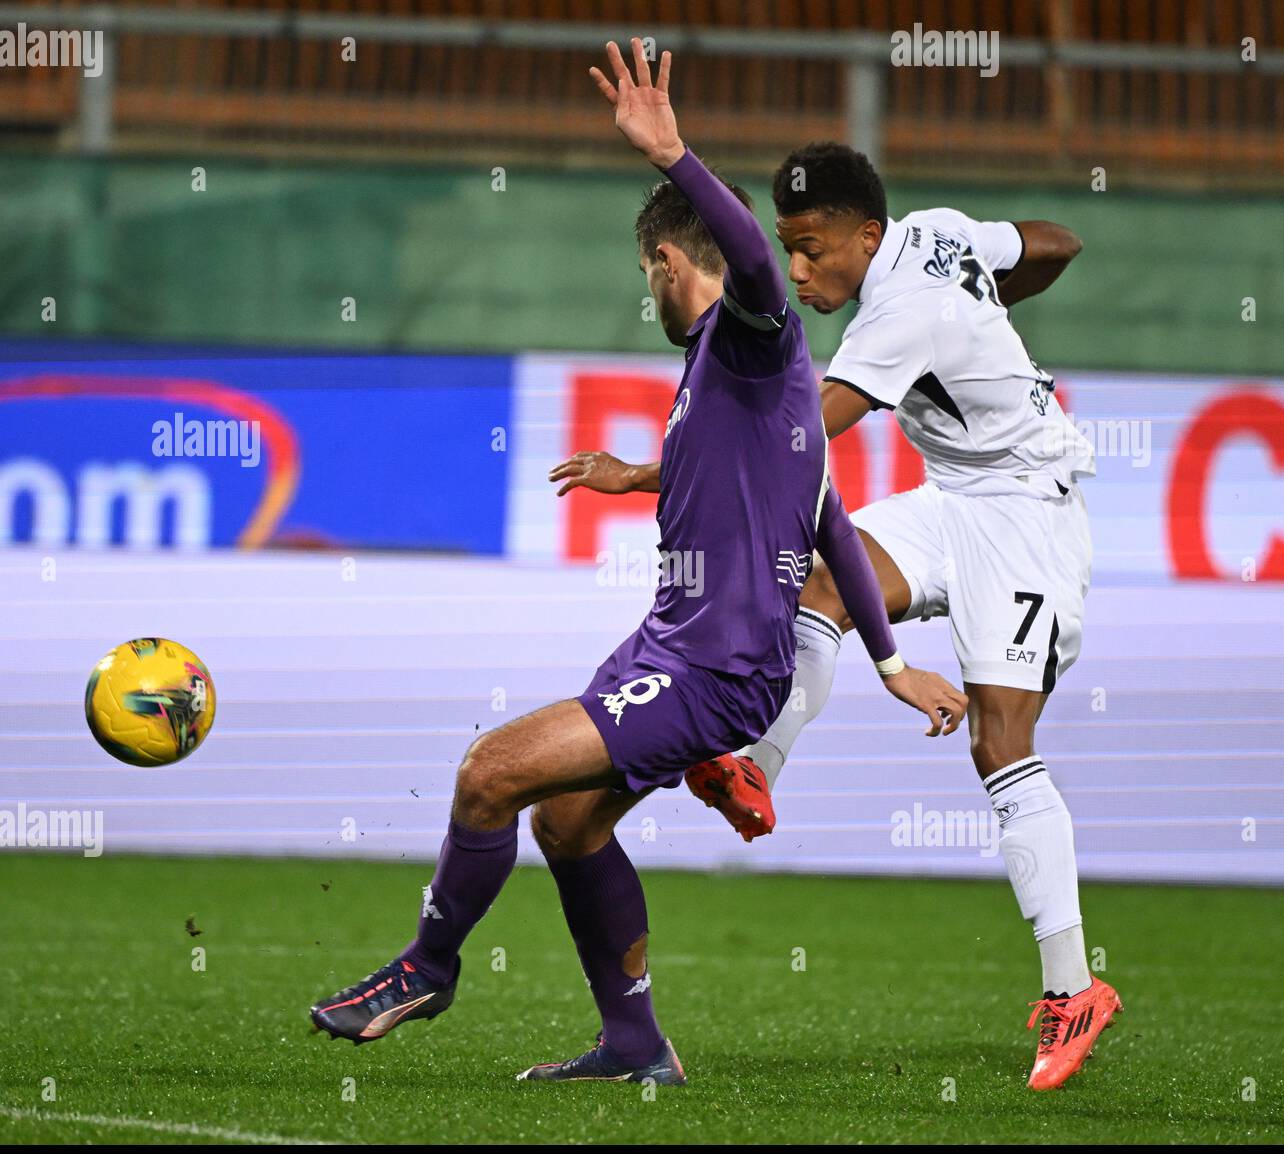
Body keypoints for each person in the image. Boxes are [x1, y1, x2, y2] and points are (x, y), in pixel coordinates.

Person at [310, 46, 963, 1085]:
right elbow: (827, 512)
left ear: (669, 261)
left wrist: (675, 154)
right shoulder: (730, 381)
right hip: (673, 643)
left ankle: (425, 968)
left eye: (647, 274)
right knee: (566, 823)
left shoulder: (751, 335)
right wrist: (887, 664)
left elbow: (749, 260)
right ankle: (633, 1043)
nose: (647, 294)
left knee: (490, 772)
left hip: (718, 666)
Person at [550, 141, 1122, 1091]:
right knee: (822, 581)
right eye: (787, 247)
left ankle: (1075, 989)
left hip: (1030, 514)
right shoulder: (939, 237)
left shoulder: (898, 315)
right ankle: (755, 768)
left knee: (998, 739)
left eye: (814, 250)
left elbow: (786, 439)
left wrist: (641, 471)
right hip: (958, 496)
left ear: (866, 235)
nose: (800, 270)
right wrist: (984, 320)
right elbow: (1057, 242)